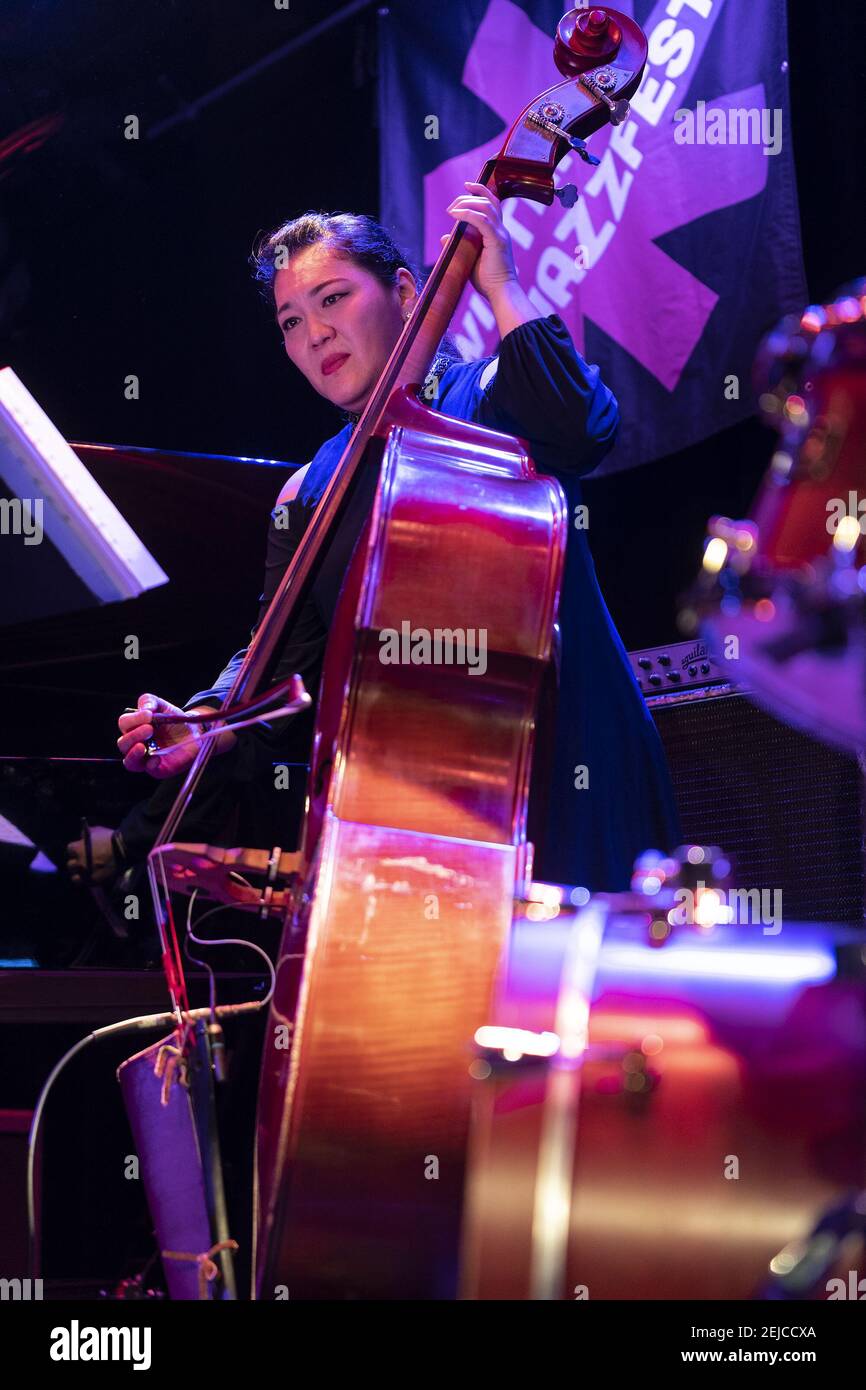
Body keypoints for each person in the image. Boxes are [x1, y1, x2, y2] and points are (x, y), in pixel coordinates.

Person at [67, 182, 680, 894]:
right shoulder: (309, 488)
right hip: (415, 807)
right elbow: (281, 657)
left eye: (332, 298)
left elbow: (583, 426)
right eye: (291, 321)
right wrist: (206, 720)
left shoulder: (487, 398)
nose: (314, 333)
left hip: (563, 753)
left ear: (406, 291)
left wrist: (501, 284)